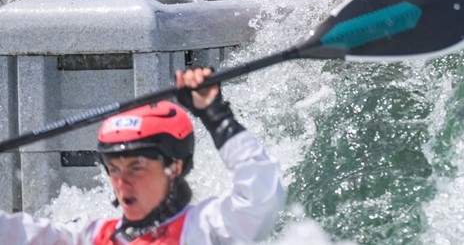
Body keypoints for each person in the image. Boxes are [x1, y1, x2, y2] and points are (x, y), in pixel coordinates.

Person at [0, 67, 286, 244]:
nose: (122, 182)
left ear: (174, 167)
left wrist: (217, 115)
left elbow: (261, 197)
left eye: (136, 167)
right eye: (114, 169)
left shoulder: (205, 229)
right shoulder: (89, 236)